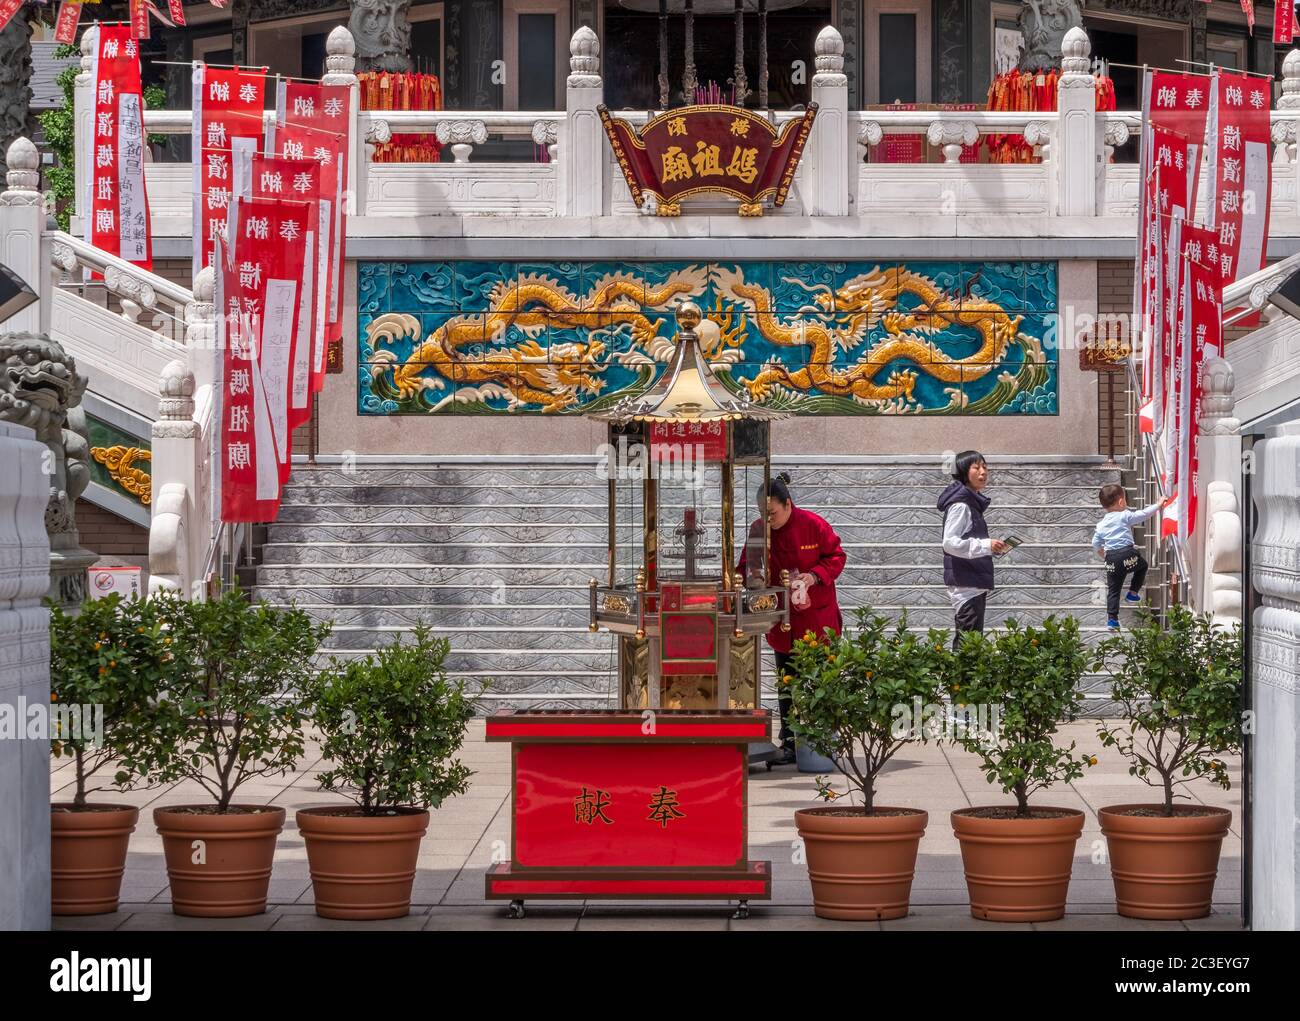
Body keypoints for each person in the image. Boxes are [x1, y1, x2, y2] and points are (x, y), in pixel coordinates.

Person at [738, 471, 846, 765]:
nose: (769, 519)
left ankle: (824, 738)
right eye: (764, 513)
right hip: (781, 622)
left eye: (773, 513)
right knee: (787, 682)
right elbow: (746, 565)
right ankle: (788, 740)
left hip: (816, 619)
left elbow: (836, 557)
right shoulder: (759, 529)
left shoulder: (813, 524)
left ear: (788, 505)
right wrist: (753, 577)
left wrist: (813, 577)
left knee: (821, 680)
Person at [937, 451, 1009, 646]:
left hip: (971, 583)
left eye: (985, 467)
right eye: (976, 468)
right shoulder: (961, 505)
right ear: (963, 471)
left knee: (969, 642)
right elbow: (950, 543)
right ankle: (959, 677)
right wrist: (986, 545)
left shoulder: (970, 503)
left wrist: (991, 548)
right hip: (966, 585)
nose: (983, 472)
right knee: (967, 644)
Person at [1092, 483, 1165, 630]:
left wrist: (1104, 554)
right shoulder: (1124, 515)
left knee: (1113, 590)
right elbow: (1143, 514)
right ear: (1121, 502)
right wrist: (1158, 504)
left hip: (1111, 559)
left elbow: (1095, 543)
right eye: (1125, 500)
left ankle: (1112, 620)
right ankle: (1132, 592)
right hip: (1127, 554)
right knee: (1142, 566)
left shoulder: (1101, 524)